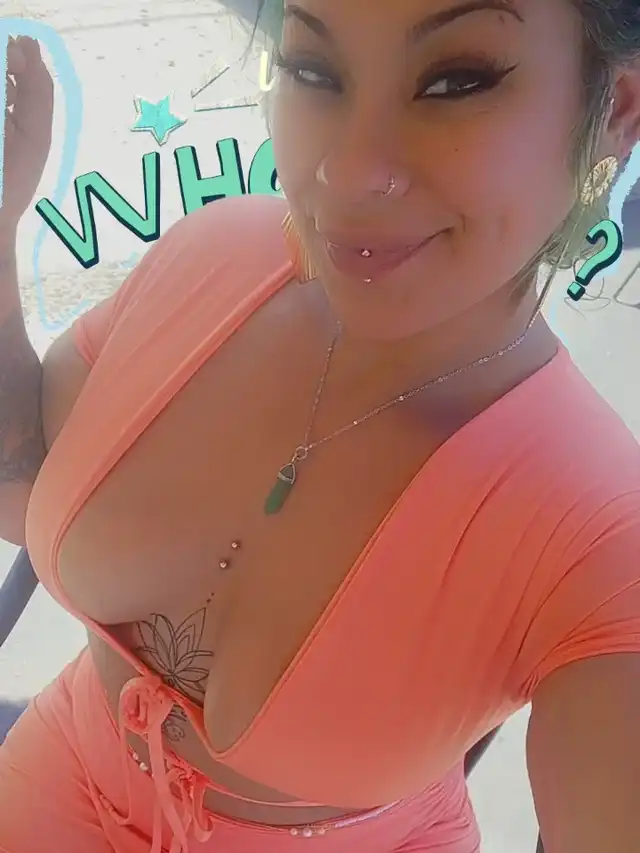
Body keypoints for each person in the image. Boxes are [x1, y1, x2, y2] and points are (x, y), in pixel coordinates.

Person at [0, 1, 640, 850]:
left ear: (616, 109)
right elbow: (27, 483)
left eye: (456, 81)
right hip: (49, 785)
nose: (346, 171)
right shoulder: (213, 254)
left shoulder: (599, 529)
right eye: (313, 70)